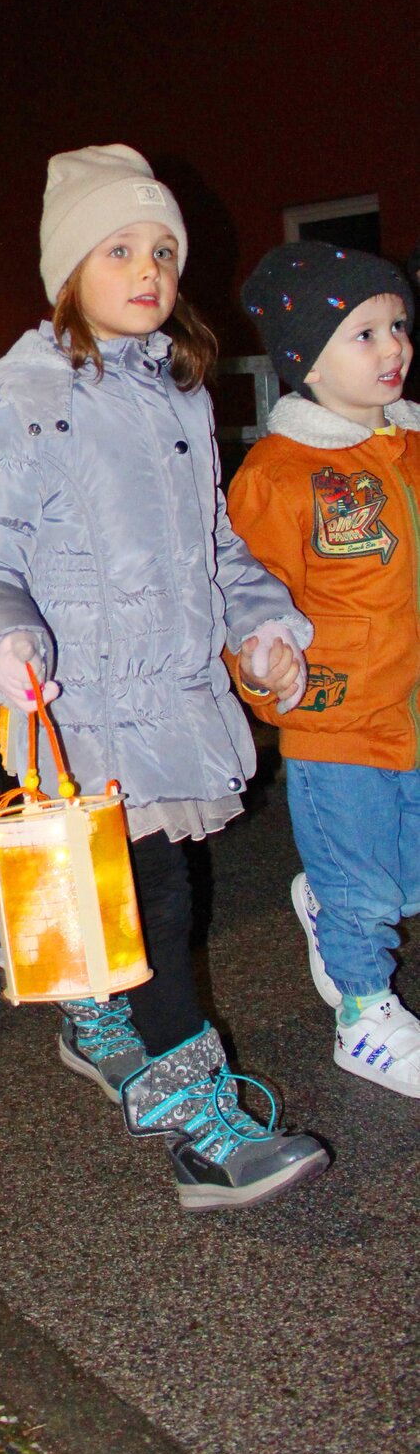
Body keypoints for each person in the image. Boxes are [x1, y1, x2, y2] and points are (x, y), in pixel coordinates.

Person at [0, 144, 329, 1211]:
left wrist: (262, 627)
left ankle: (99, 1013)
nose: (150, 267)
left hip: (171, 696)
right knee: (156, 903)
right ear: (69, 267)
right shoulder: (22, 398)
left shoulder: (178, 396)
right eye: (120, 248)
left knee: (159, 899)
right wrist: (6, 634)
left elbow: (216, 546)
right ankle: (200, 1129)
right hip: (79, 706)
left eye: (163, 249)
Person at [229, 243, 420, 1095]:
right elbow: (244, 596)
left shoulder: (411, 447)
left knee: (403, 877)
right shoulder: (279, 474)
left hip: (410, 708)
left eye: (397, 327)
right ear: (305, 359)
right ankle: (362, 1015)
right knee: (364, 895)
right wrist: (265, 669)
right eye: (364, 333)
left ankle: (328, 898)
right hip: (334, 719)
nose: (392, 349)